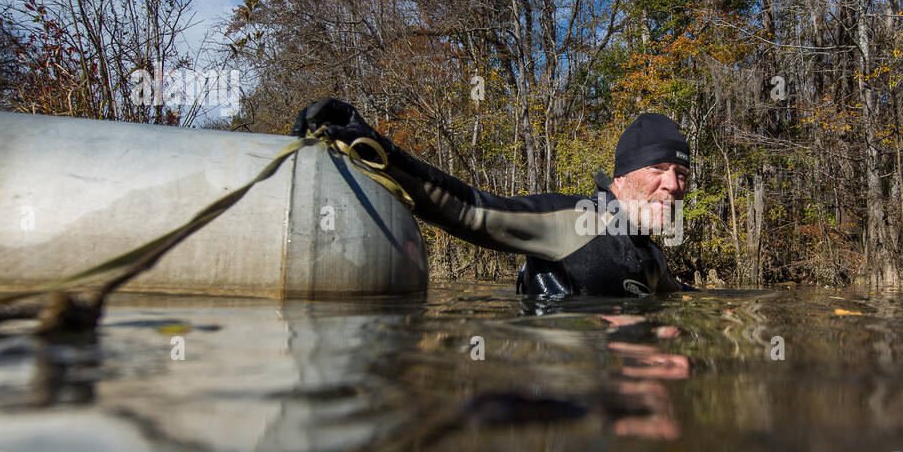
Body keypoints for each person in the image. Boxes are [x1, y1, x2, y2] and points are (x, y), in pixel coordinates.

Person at [291, 99, 696, 297]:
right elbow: (472, 210)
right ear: (622, 178)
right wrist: (372, 146)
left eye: (681, 174)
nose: (674, 185)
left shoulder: (653, 259)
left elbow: (684, 298)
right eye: (658, 170)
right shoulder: (578, 220)